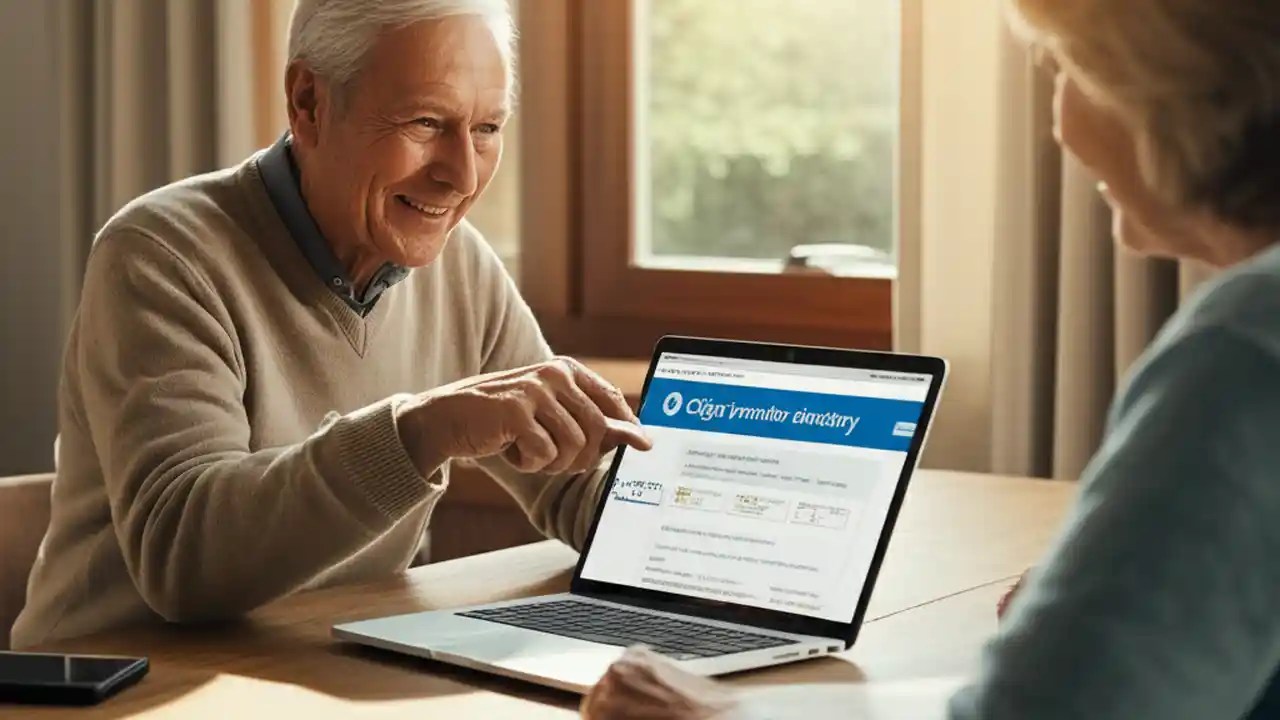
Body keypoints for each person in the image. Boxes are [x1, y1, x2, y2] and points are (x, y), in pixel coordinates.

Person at [581, 0, 1280, 717]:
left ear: (1163, 88)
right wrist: (1110, 596)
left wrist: (724, 715)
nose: (1059, 122)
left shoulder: (1245, 347)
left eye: (1068, 68)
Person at [11, 0, 652, 650]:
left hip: (327, 673)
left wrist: (718, 531)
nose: (461, 173)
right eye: (425, 121)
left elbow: (573, 481)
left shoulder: (461, 267)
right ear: (309, 103)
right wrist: (417, 432)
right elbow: (183, 565)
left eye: (486, 128)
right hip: (117, 690)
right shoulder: (161, 254)